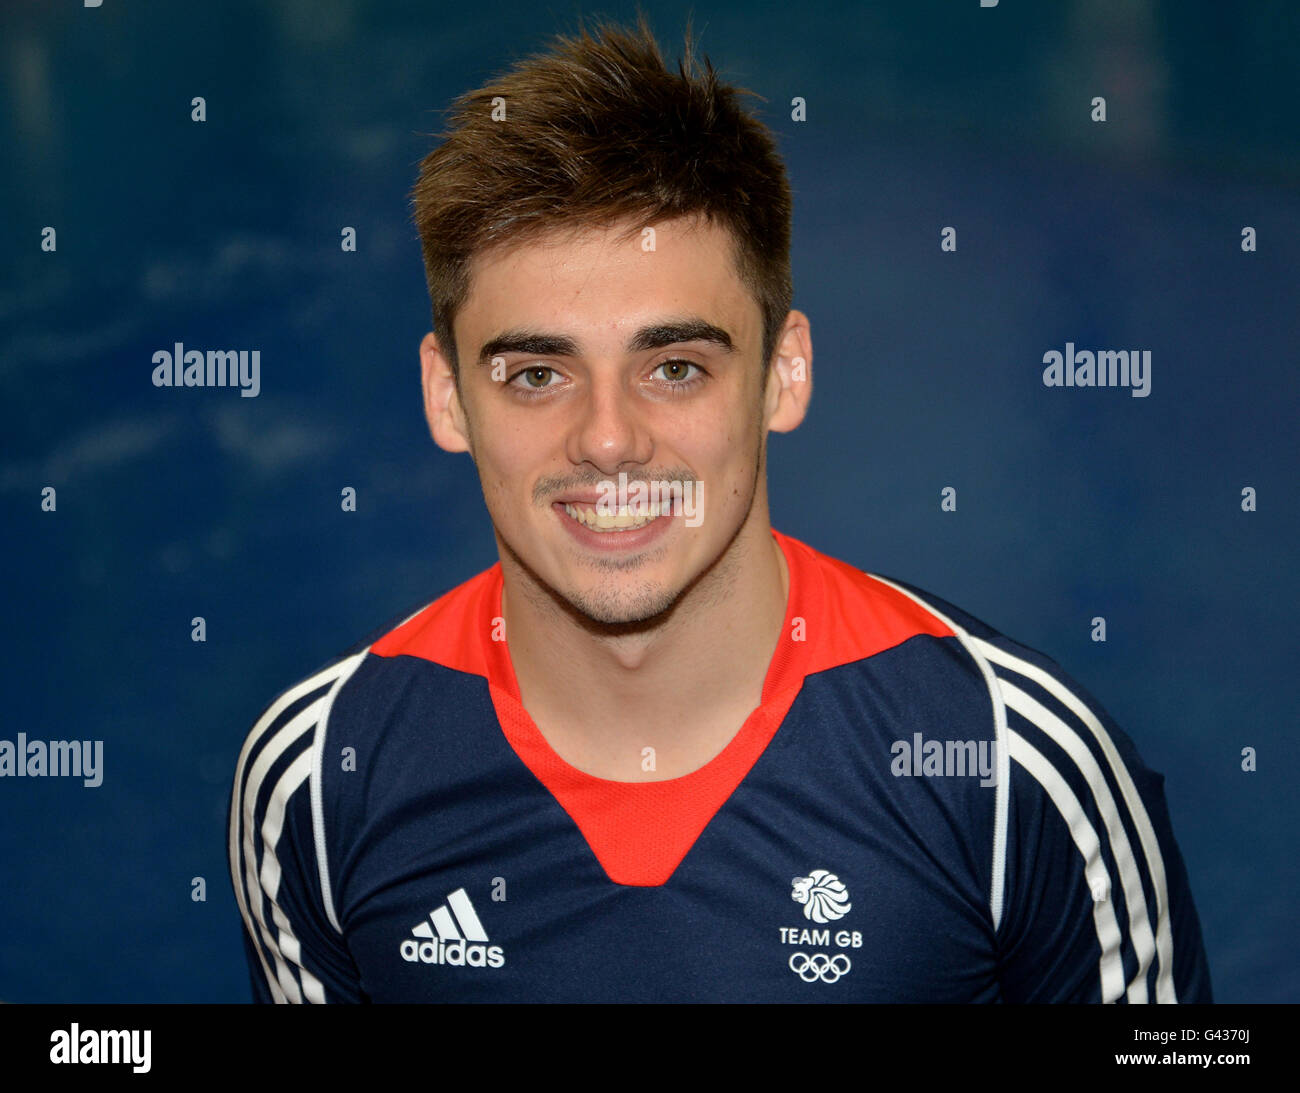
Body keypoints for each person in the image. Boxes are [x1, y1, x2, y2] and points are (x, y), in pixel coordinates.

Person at [228, 15, 1212, 1003]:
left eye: (676, 367)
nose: (607, 440)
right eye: (536, 374)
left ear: (784, 374)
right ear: (447, 397)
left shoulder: (1014, 767)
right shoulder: (319, 783)